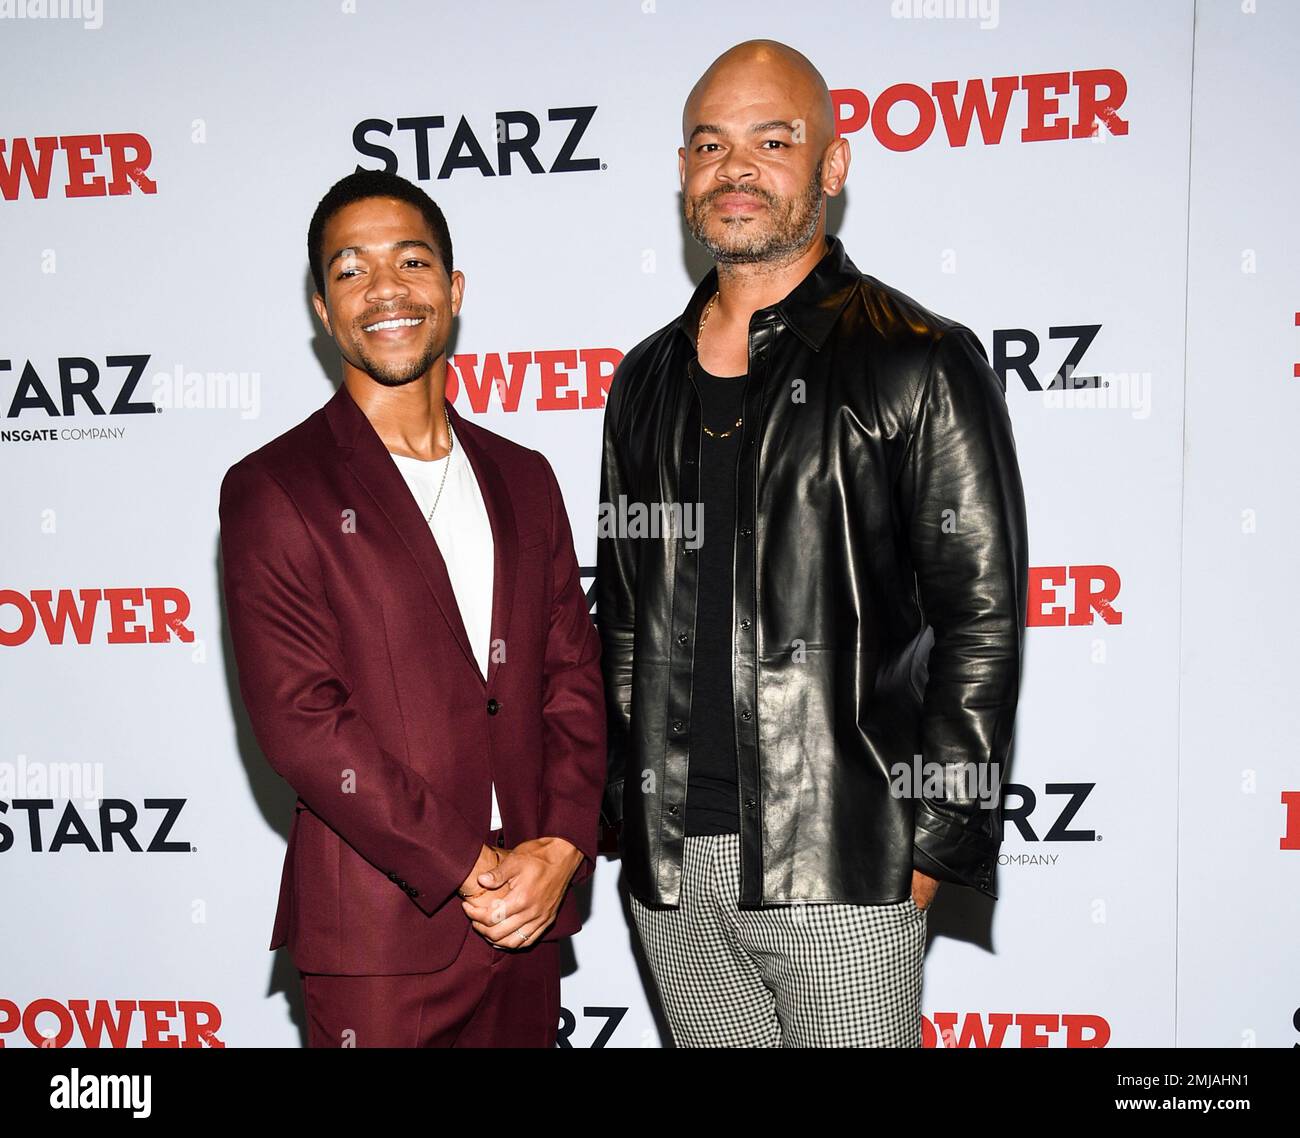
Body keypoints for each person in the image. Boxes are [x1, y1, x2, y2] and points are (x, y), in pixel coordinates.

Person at [596, 40, 1029, 1047]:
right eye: (709, 145)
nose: (734, 169)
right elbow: (621, 614)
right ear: (681, 173)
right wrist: (625, 813)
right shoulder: (643, 382)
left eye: (772, 140)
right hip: (672, 873)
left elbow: (979, 619)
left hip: (843, 849)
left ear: (831, 168)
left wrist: (936, 840)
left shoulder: (917, 360)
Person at [219, 170, 605, 1047]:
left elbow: (571, 680)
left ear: (454, 290)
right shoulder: (274, 487)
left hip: (532, 924)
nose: (385, 289)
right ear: (322, 307)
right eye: (351, 270)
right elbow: (302, 724)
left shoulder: (524, 475)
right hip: (380, 944)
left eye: (412, 261)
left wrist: (562, 848)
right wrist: (471, 867)